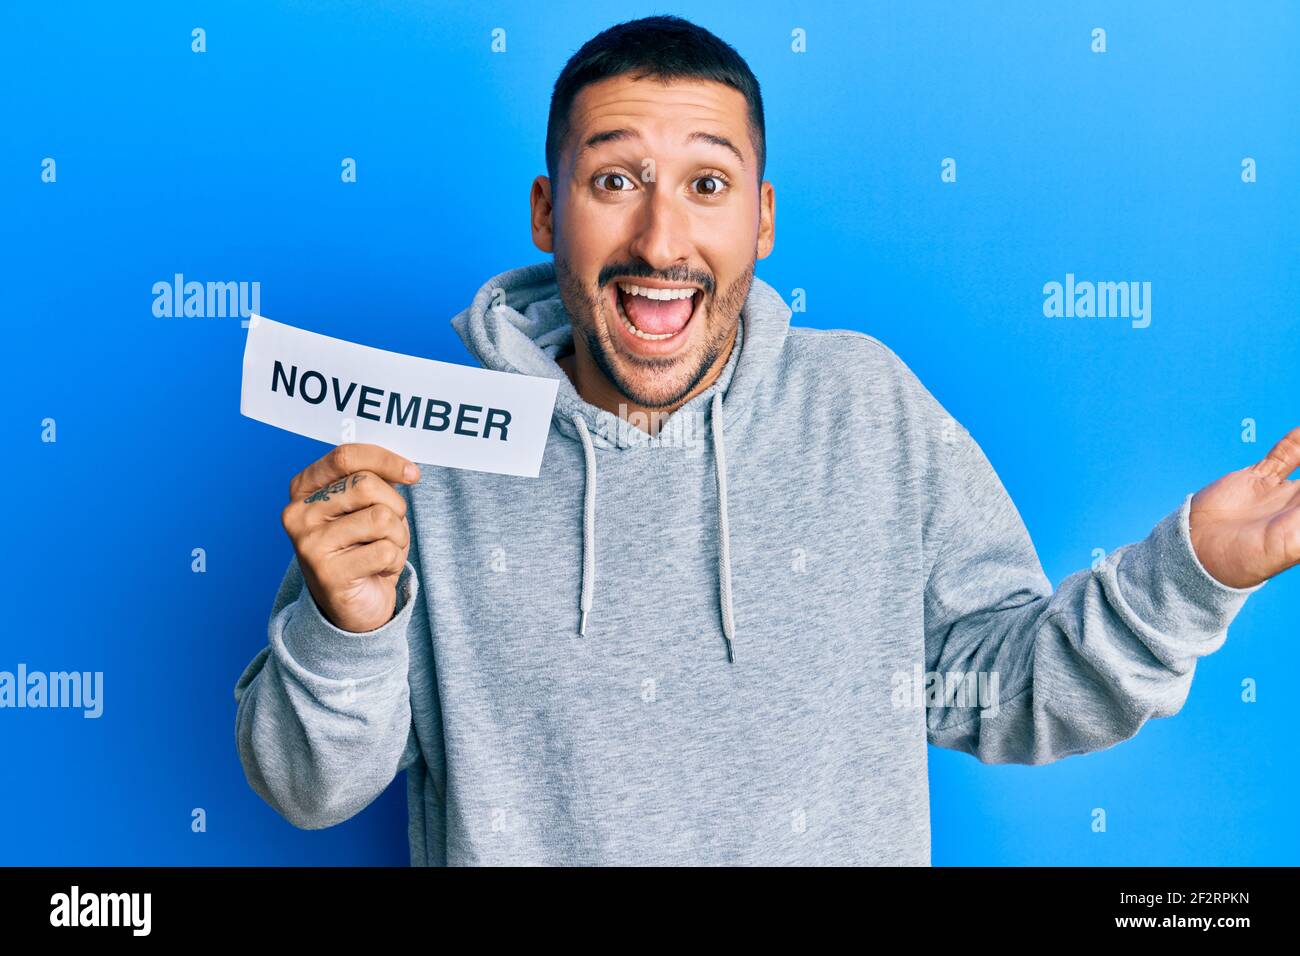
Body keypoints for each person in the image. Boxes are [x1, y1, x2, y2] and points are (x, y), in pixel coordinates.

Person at [233, 15, 1297, 865]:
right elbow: (308, 785)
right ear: (548, 212)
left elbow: (1009, 693)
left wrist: (1188, 573)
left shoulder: (867, 408)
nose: (661, 238)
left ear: (763, 218)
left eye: (706, 185)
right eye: (615, 182)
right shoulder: (419, 454)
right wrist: (344, 629)